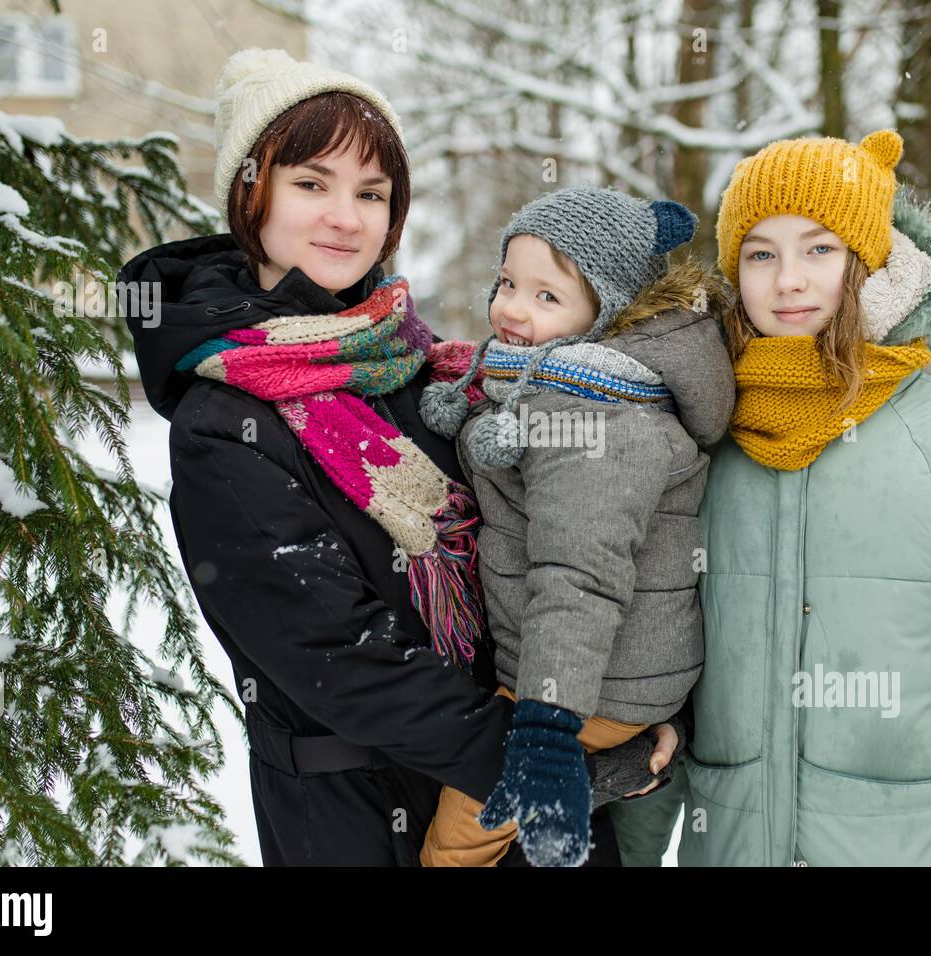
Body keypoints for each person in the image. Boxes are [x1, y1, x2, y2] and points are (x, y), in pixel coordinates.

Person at [119, 48, 676, 866]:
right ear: (252, 191)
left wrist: (629, 700)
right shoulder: (222, 422)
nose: (347, 216)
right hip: (361, 817)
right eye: (311, 183)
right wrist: (573, 768)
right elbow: (344, 663)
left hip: (518, 796)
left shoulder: (426, 369)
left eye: (371, 193)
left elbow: (563, 545)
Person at [609, 129, 931, 866]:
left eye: (820, 249)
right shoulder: (694, 450)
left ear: (871, 262)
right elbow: (654, 688)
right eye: (760, 253)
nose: (789, 281)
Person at [416, 186, 734, 866]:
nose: (511, 308)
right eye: (507, 283)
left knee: (453, 850)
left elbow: (578, 578)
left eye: (546, 296)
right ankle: (616, 769)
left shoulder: (593, 419)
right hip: (607, 676)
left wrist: (545, 726)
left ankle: (596, 765)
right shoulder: (573, 384)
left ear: (607, 310)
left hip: (587, 687)